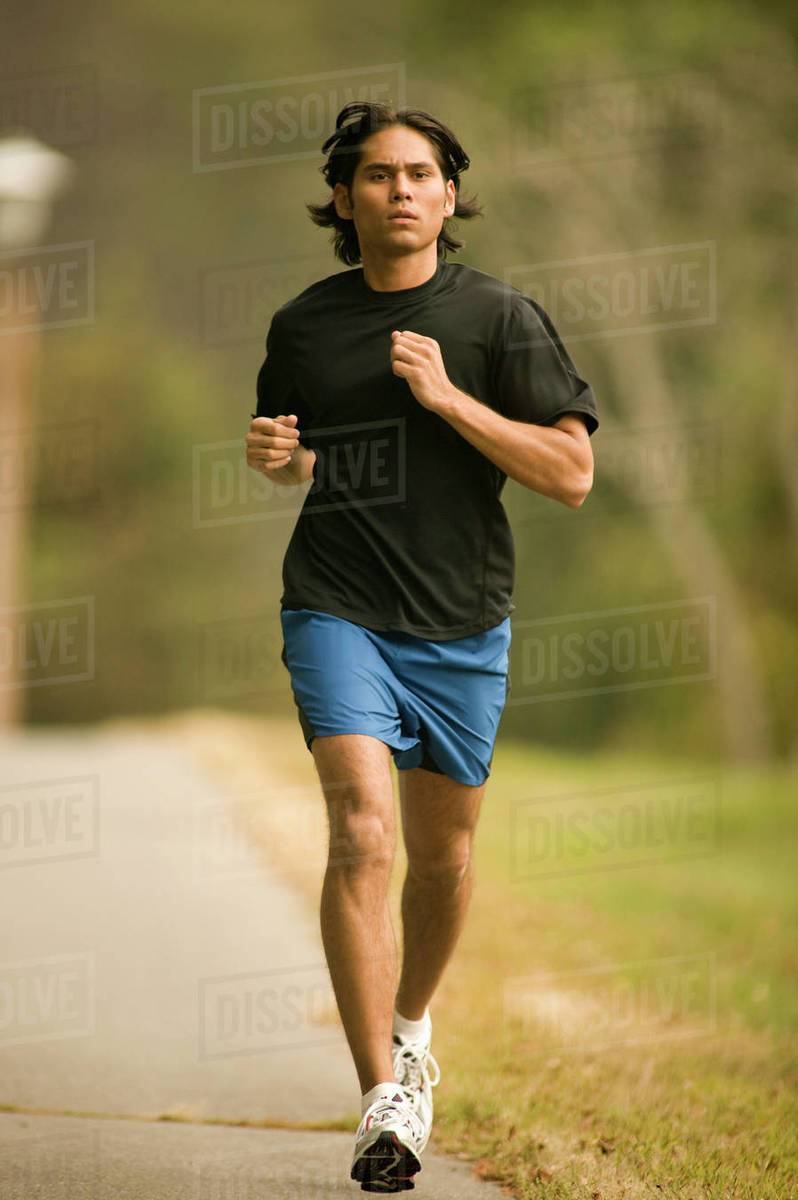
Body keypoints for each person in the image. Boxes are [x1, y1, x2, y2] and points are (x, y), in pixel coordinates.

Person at [245, 101, 598, 1193]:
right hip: (336, 603)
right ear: (345, 201)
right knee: (362, 831)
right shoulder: (304, 326)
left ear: (450, 195)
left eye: (420, 173)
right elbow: (297, 452)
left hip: (460, 621)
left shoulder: (500, 318)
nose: (400, 189)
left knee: (441, 863)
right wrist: (276, 458)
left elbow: (572, 473)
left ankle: (411, 1026)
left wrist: (448, 397)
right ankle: (382, 1098)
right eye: (378, 175)